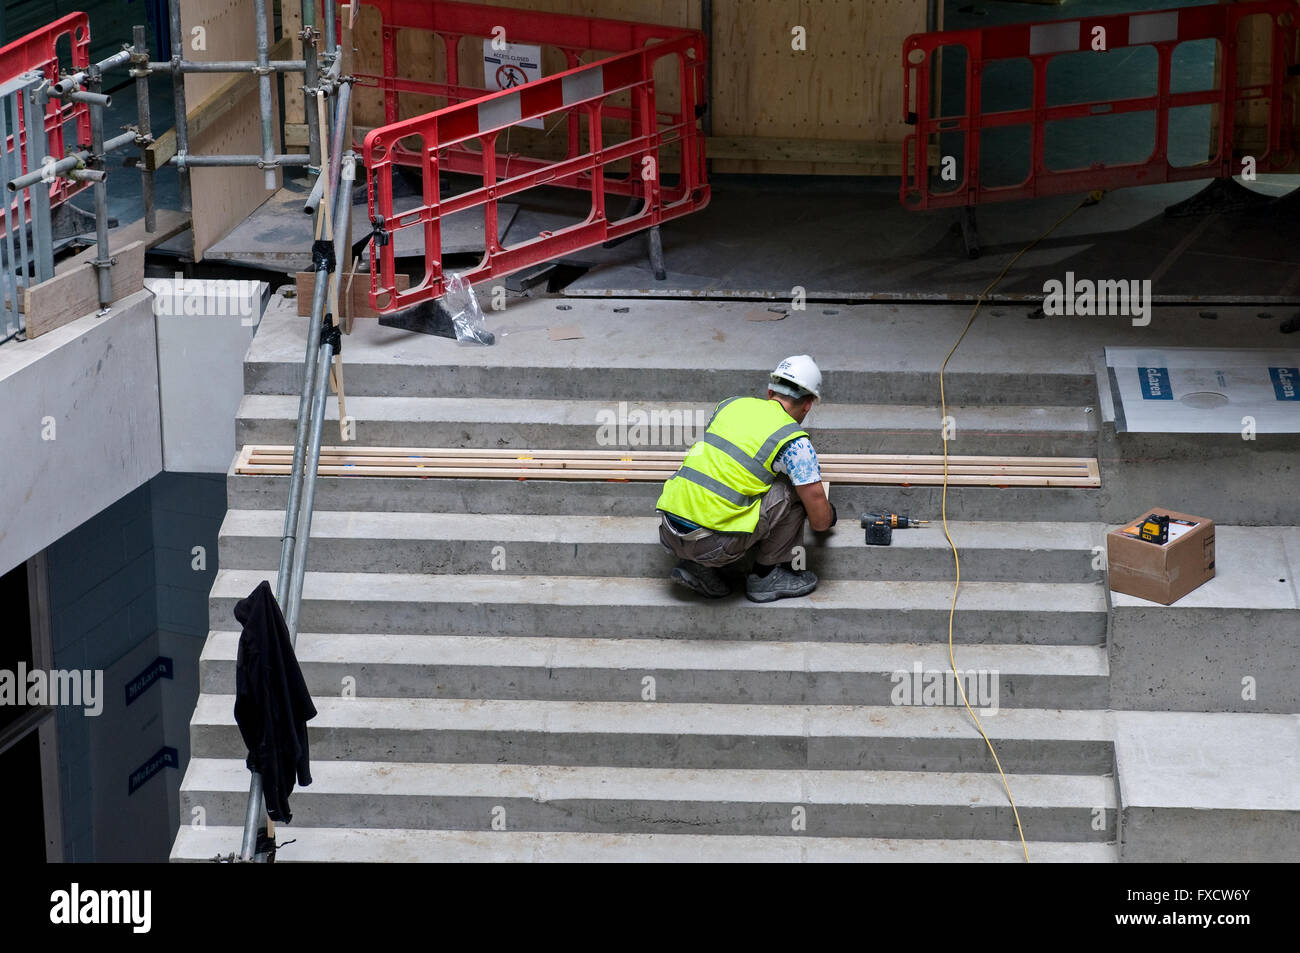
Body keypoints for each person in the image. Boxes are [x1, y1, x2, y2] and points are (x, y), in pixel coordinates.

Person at [655, 355, 836, 603]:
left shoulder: (729, 405)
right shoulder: (795, 443)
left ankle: (696, 567)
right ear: (807, 405)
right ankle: (767, 576)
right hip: (714, 545)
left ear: (770, 391)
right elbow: (819, 523)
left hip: (668, 532)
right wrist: (827, 514)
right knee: (794, 492)